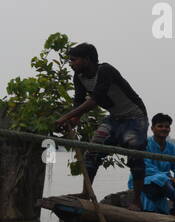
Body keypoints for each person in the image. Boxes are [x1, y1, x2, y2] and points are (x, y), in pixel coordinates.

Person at [54, 43, 148, 210]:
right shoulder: (79, 77)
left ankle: (137, 201)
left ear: (87, 59)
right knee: (92, 152)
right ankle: (86, 193)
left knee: (135, 158)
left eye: (74, 60)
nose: (71, 63)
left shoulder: (105, 70)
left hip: (135, 117)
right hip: (114, 118)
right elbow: (79, 99)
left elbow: (95, 99)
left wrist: (66, 117)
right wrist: (74, 118)